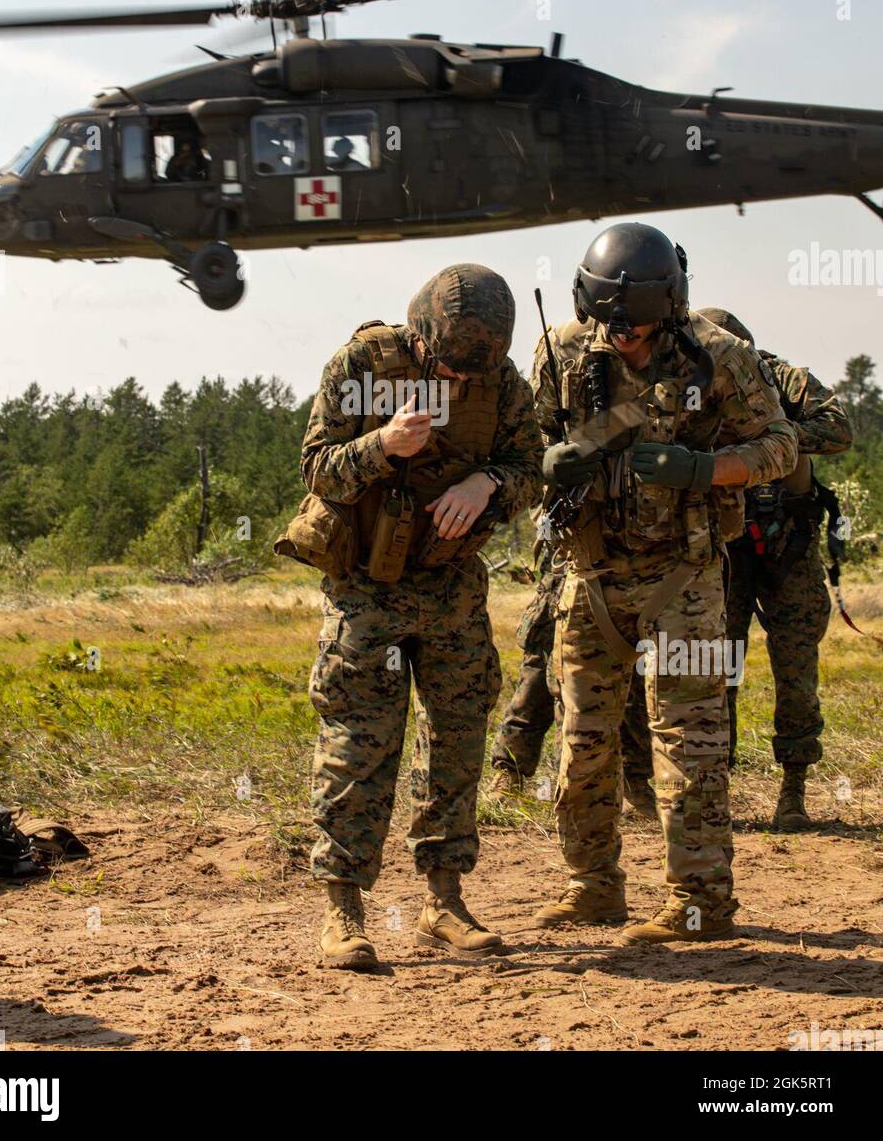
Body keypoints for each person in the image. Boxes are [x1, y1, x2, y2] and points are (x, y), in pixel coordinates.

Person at [532, 224, 798, 945]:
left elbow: (779, 446)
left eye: (642, 329)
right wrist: (550, 463)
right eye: (614, 328)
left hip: (686, 577)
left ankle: (700, 901)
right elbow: (523, 446)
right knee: (582, 741)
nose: (626, 341)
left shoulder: (720, 355)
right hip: (588, 575)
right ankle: (591, 888)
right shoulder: (558, 350)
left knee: (691, 743)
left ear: (670, 307)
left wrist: (702, 469)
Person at [277, 264, 541, 970]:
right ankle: (342, 912)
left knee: (457, 739)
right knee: (357, 743)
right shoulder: (360, 364)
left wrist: (489, 483)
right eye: (447, 367)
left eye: (471, 372)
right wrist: (382, 446)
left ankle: (443, 902)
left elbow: (531, 467)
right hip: (366, 586)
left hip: (452, 583)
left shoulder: (503, 382)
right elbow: (316, 469)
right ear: (421, 335)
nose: (458, 382)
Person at [698, 308, 853, 830]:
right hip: (725, 543)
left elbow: (838, 428)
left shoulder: (784, 378)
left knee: (795, 667)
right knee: (720, 667)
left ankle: (793, 791)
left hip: (790, 542)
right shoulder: (690, 384)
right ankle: (716, 790)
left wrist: (773, 437)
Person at [488, 530, 655, 815]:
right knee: (538, 678)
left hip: (635, 569)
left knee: (633, 684)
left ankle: (632, 781)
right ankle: (509, 772)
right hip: (570, 567)